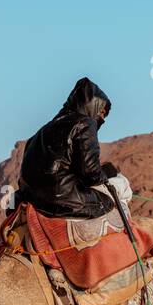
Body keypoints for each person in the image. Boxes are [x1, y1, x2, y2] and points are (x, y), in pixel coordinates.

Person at [17, 77, 115, 220]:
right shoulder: (86, 123)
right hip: (60, 199)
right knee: (116, 193)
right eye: (102, 112)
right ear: (94, 106)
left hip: (29, 197)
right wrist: (106, 176)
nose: (102, 118)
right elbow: (90, 172)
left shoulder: (43, 130)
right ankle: (131, 240)